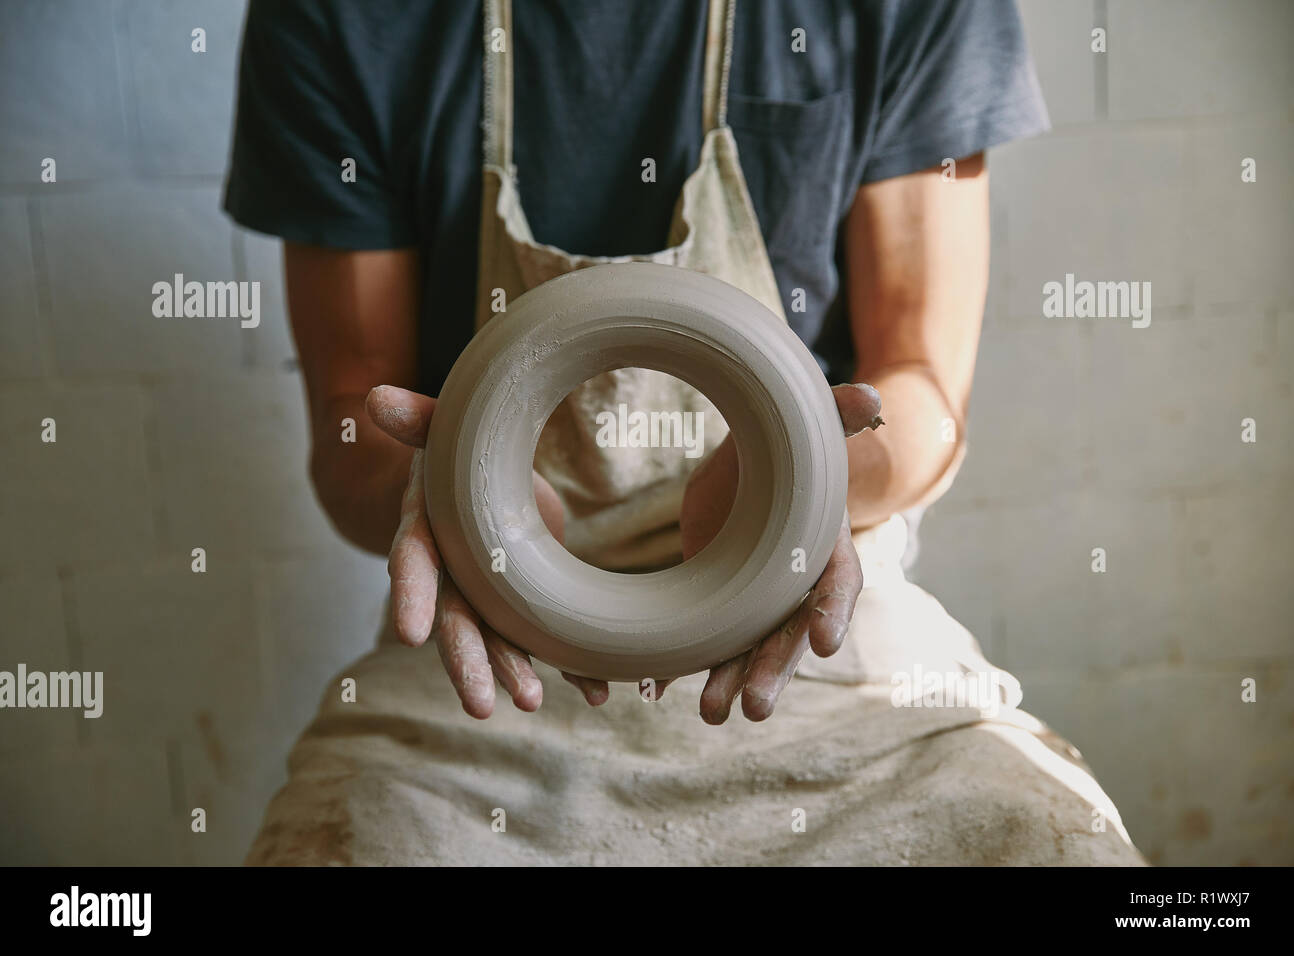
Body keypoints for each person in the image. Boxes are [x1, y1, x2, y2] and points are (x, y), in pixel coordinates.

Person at [225, 0, 1145, 865]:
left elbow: (928, 394)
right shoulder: (340, 14)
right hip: (492, 629)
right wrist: (454, 492)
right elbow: (352, 426)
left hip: (808, 600)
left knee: (1045, 837)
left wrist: (803, 478)